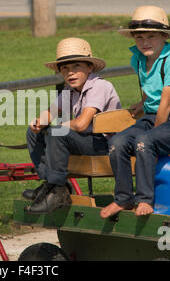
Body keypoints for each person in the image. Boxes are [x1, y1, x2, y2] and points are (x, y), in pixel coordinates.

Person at [100, 5, 170, 218]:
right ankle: (123, 198)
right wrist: (142, 104)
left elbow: (165, 103)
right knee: (116, 142)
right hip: (151, 118)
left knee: (144, 141)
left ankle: (145, 199)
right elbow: (150, 88)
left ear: (164, 36)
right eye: (140, 37)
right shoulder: (137, 59)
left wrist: (152, 136)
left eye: (151, 36)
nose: (145, 42)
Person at [24, 37, 122, 214]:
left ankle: (58, 191)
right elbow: (52, 111)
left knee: (57, 132)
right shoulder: (70, 90)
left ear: (89, 67)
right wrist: (39, 122)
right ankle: (51, 185)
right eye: (65, 68)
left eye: (76, 66)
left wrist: (56, 127)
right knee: (34, 134)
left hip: (105, 144)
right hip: (86, 140)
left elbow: (83, 123)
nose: (70, 73)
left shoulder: (99, 86)